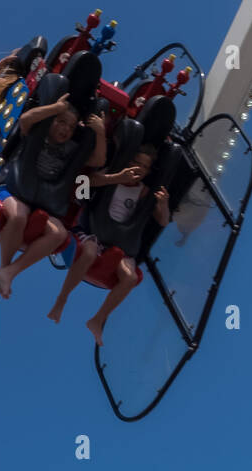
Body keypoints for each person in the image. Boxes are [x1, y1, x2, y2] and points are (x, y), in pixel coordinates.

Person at [47, 144, 170, 344]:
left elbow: (163, 221)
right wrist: (117, 178)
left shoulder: (144, 192)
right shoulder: (114, 174)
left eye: (143, 166)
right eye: (135, 162)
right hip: (93, 232)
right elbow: (84, 182)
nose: (137, 168)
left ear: (148, 171)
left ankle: (98, 320)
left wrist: (163, 205)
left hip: (118, 243)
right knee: (88, 252)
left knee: (130, 277)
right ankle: (62, 299)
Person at [0, 95, 106, 299]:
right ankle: (4, 267)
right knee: (19, 216)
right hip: (11, 189)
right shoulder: (38, 131)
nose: (65, 129)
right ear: (52, 119)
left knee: (59, 234)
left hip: (42, 200)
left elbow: (98, 159)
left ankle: (10, 271)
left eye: (71, 127)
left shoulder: (71, 149)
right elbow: (25, 120)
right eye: (61, 122)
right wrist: (55, 107)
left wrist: (99, 132)